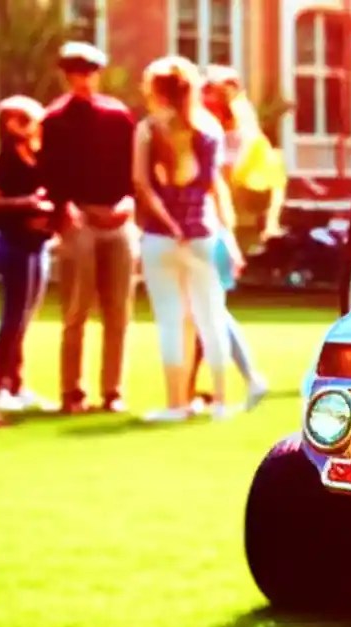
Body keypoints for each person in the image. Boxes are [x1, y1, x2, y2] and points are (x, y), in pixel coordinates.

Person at [133, 56, 242, 422]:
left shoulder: (148, 129)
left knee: (171, 321)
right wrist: (230, 234)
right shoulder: (208, 128)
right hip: (202, 234)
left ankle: (176, 403)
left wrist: (168, 222)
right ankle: (222, 400)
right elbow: (215, 187)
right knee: (209, 317)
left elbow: (142, 185)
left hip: (161, 239)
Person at [38, 42, 138, 414]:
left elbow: (132, 170)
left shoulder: (118, 116)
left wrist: (129, 201)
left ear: (98, 73)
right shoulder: (54, 120)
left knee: (118, 311)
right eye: (76, 72)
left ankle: (112, 392)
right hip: (78, 217)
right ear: (66, 76)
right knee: (76, 310)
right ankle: (72, 392)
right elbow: (49, 175)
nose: (83, 79)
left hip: (118, 217)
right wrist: (64, 209)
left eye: (89, 72)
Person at [179, 65, 279, 412]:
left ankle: (249, 378)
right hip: (223, 227)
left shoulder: (220, 138)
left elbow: (216, 184)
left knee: (207, 308)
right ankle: (194, 388)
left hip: (215, 228)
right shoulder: (240, 136)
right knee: (207, 309)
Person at [0, 96, 58, 412]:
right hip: (13, 243)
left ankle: (17, 383)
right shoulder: (5, 161)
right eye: (28, 120)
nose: (35, 126)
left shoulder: (37, 157)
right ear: (11, 124)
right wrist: (28, 204)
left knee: (26, 316)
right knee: (13, 315)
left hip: (37, 244)